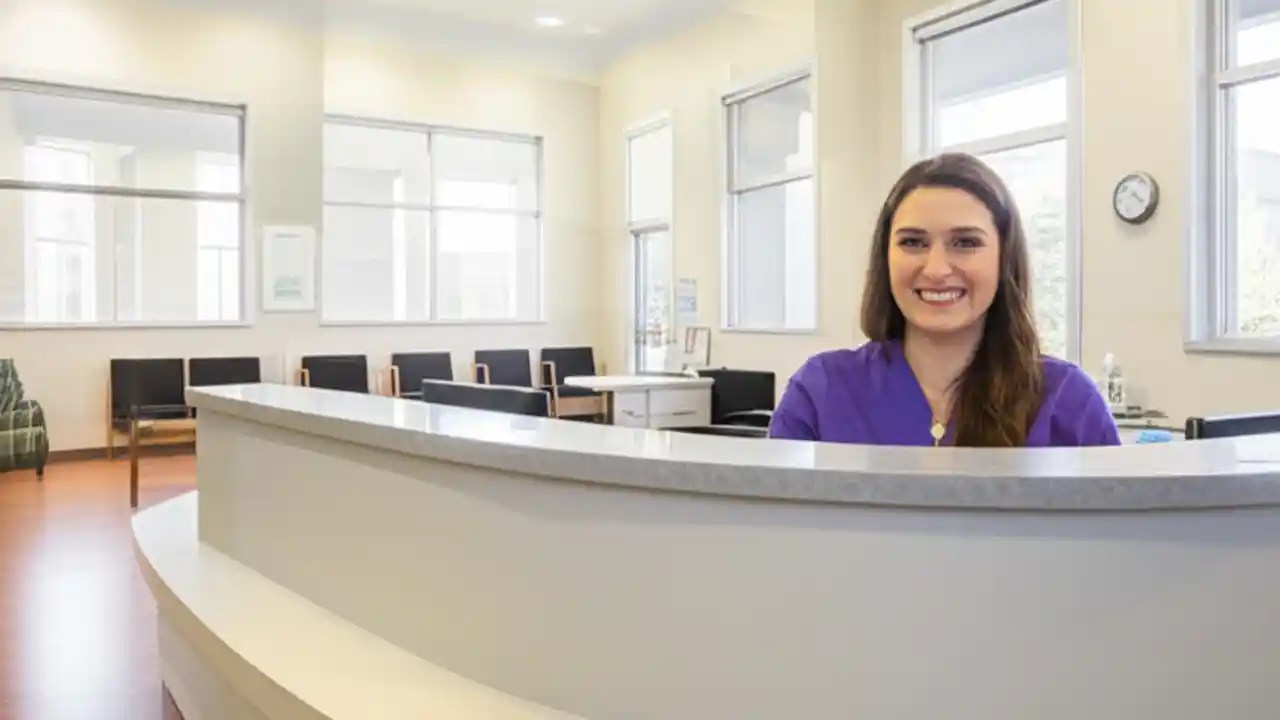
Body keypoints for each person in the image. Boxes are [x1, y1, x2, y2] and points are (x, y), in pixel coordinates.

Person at [768, 153, 1119, 447]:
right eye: (913, 242)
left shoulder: (1067, 401)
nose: (936, 269)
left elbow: (1117, 526)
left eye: (965, 243)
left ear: (1004, 259)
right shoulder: (821, 391)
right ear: (885, 257)